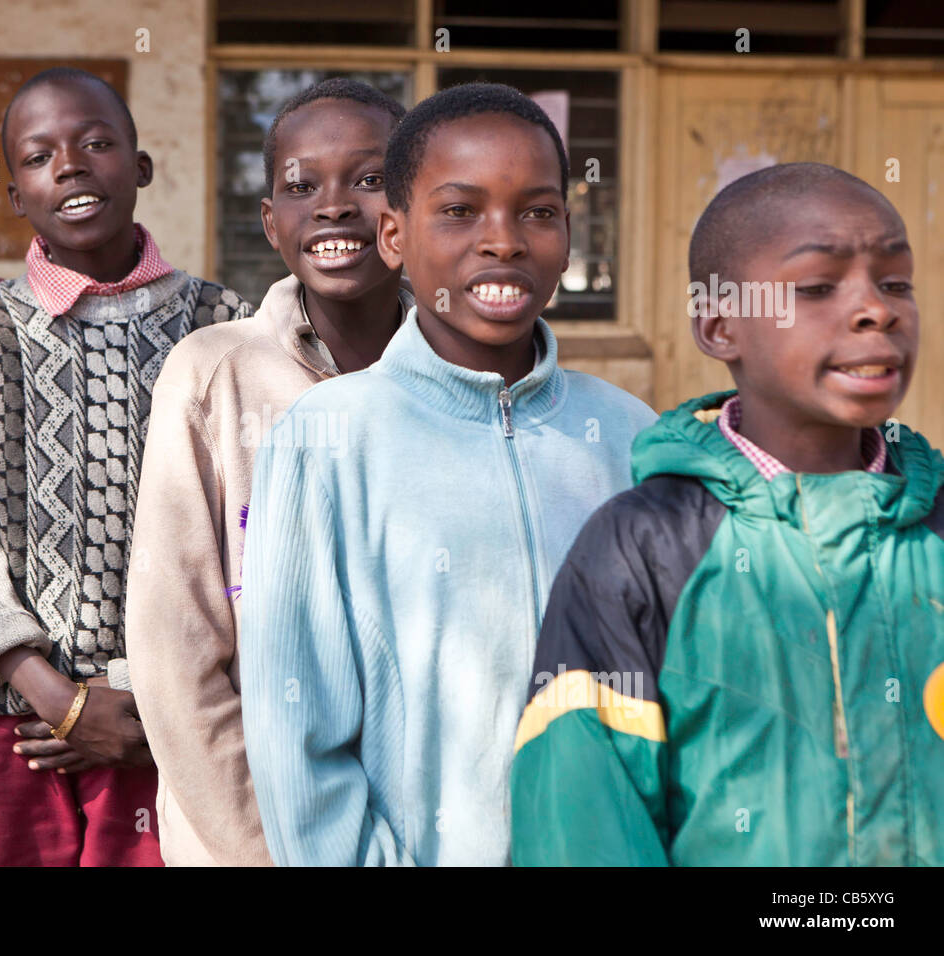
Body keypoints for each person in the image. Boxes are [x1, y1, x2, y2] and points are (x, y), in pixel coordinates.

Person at [239, 82, 656, 866]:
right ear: (394, 236)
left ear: (569, 234)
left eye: (538, 211)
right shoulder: (327, 440)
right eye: (460, 211)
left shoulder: (631, 436)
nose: (503, 240)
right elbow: (297, 737)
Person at [511, 162, 944, 866]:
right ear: (719, 326)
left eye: (896, 283)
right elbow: (584, 815)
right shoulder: (639, 549)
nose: (878, 310)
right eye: (818, 287)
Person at [0, 67, 252, 866]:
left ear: (141, 167)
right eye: (39, 157)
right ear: (16, 195)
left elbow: (246, 537)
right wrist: (60, 701)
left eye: (97, 143)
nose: (69, 165)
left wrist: (149, 703)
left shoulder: (223, 330)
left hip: (172, 727)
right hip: (13, 727)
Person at [125, 78, 410, 866]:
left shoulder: (456, 379)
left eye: (371, 177)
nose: (334, 205)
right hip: (248, 836)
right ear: (270, 223)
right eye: (300, 186)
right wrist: (261, 847)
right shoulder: (214, 372)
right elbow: (175, 652)